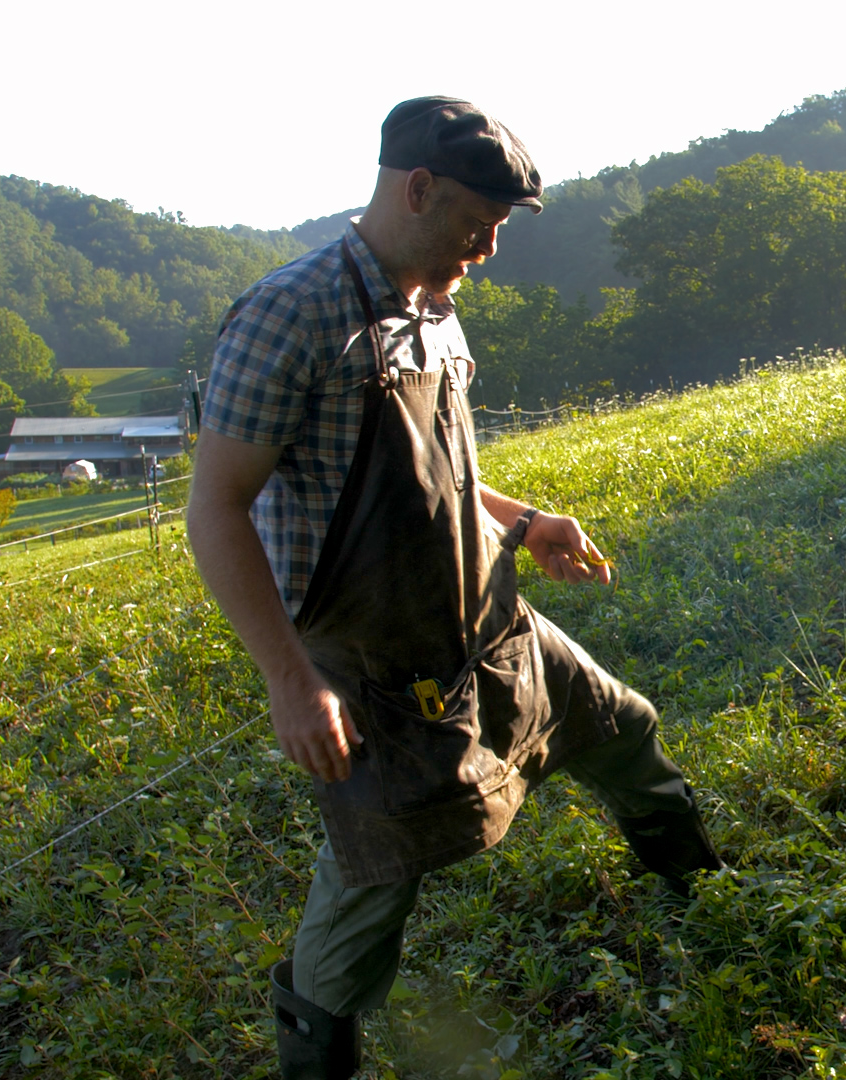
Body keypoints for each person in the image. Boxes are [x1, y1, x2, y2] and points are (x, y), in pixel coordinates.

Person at [186, 97, 725, 1080]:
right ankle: (318, 1060)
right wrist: (288, 680)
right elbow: (215, 510)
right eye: (479, 225)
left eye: (499, 232)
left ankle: (711, 904)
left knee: (622, 724)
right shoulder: (291, 313)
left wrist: (522, 524)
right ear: (417, 188)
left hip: (485, 617)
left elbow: (445, 478)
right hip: (374, 660)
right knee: (371, 880)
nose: (486, 250)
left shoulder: (435, 307)